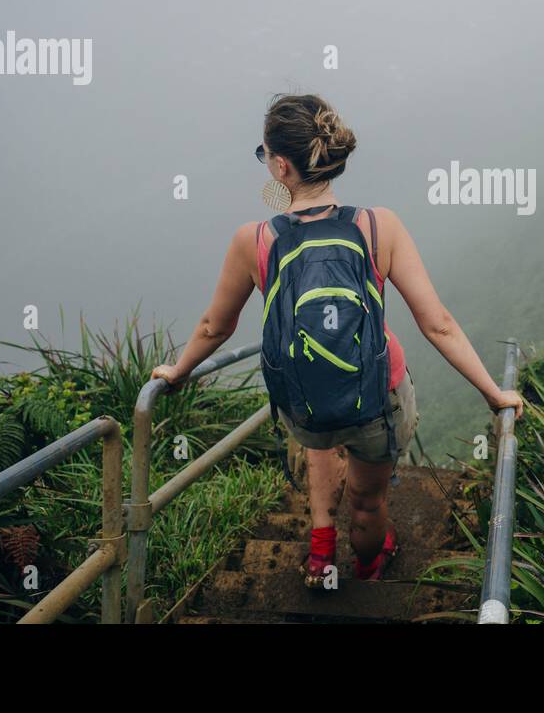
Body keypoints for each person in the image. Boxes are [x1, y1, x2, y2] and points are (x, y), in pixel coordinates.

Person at [151, 92, 524, 586]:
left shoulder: (254, 240)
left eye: (265, 156)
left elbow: (214, 328)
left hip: (303, 404)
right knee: (369, 503)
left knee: (321, 438)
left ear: (281, 165)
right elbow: (439, 324)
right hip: (375, 394)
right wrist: (493, 393)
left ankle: (321, 549)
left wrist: (179, 371)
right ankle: (369, 566)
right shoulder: (378, 227)